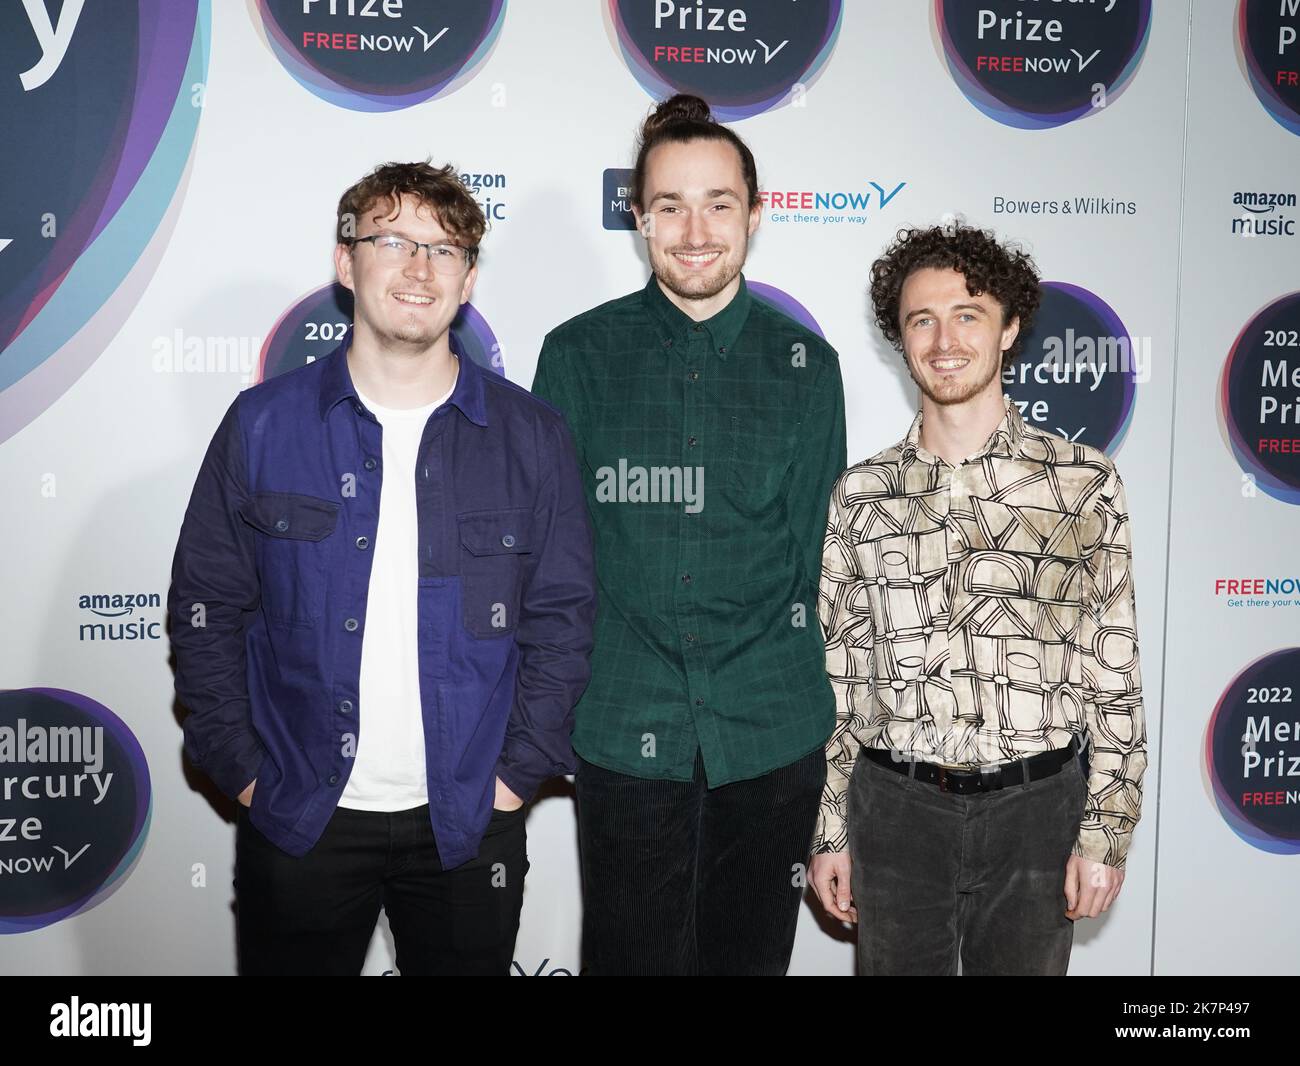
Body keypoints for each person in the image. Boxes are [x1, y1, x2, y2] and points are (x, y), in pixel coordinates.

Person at [168, 161, 596, 975]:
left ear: (469, 279)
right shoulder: (263, 426)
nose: (417, 267)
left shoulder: (530, 437)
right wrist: (246, 773)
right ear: (346, 260)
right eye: (392, 239)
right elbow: (207, 607)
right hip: (300, 815)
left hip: (469, 821)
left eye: (443, 249)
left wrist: (513, 778)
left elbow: (563, 615)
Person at [531, 94, 847, 975]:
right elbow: (551, 562)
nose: (695, 228)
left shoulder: (807, 368)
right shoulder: (577, 357)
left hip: (771, 737)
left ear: (756, 212)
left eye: (718, 203)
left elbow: (820, 567)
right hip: (626, 724)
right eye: (669, 205)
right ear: (638, 218)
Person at [808, 222, 1147, 976]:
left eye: (968, 315)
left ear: (1010, 328)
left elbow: (1113, 673)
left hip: (1038, 811)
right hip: (894, 810)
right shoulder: (861, 494)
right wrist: (830, 830)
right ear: (899, 338)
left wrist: (1105, 832)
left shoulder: (1082, 484)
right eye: (920, 319)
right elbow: (839, 675)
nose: (944, 339)